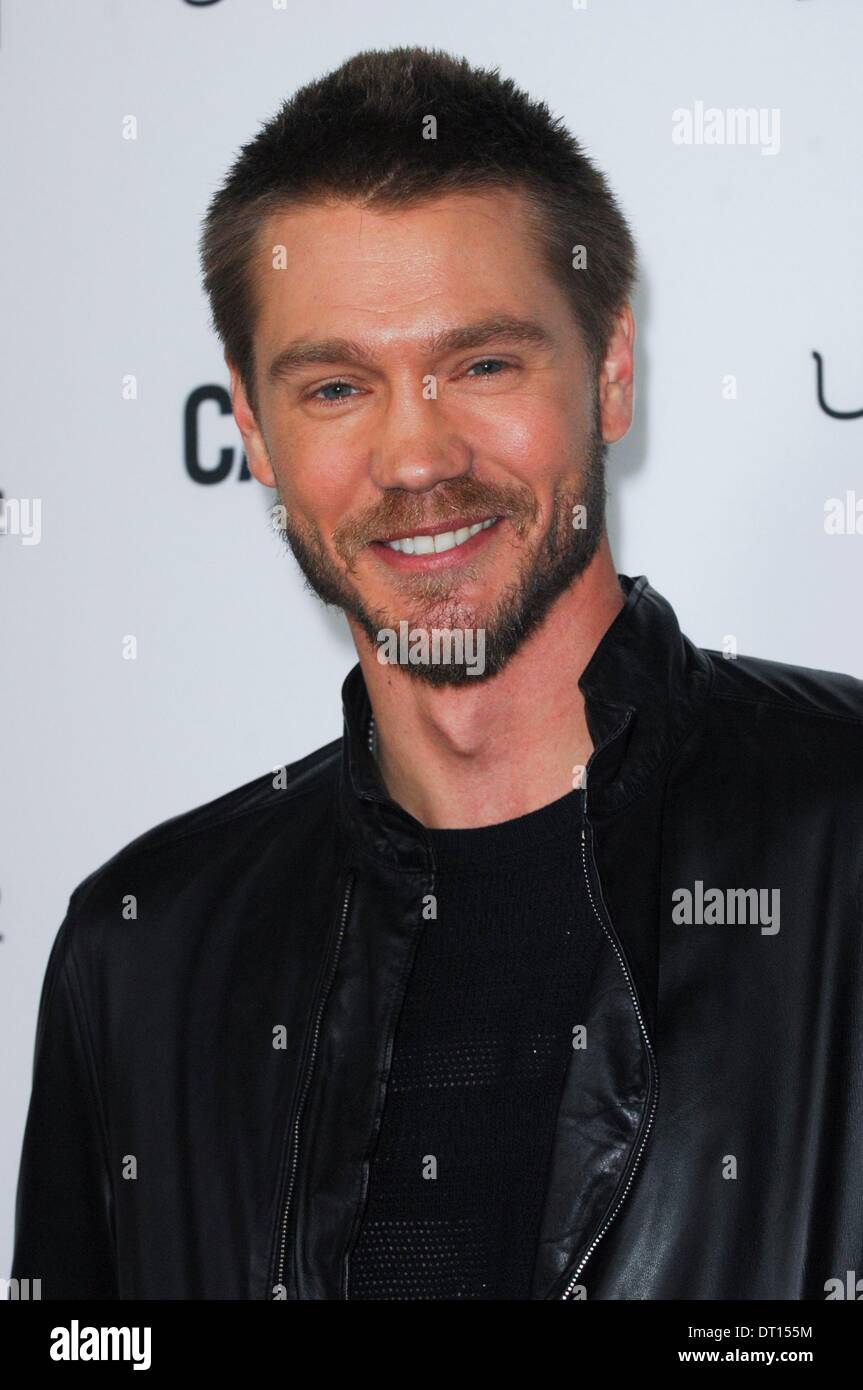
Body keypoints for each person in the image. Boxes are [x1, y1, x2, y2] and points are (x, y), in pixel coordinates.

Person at [12, 46, 863, 1301]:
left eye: (480, 365)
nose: (415, 457)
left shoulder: (841, 838)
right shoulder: (142, 955)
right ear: (249, 426)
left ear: (610, 370)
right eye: (339, 385)